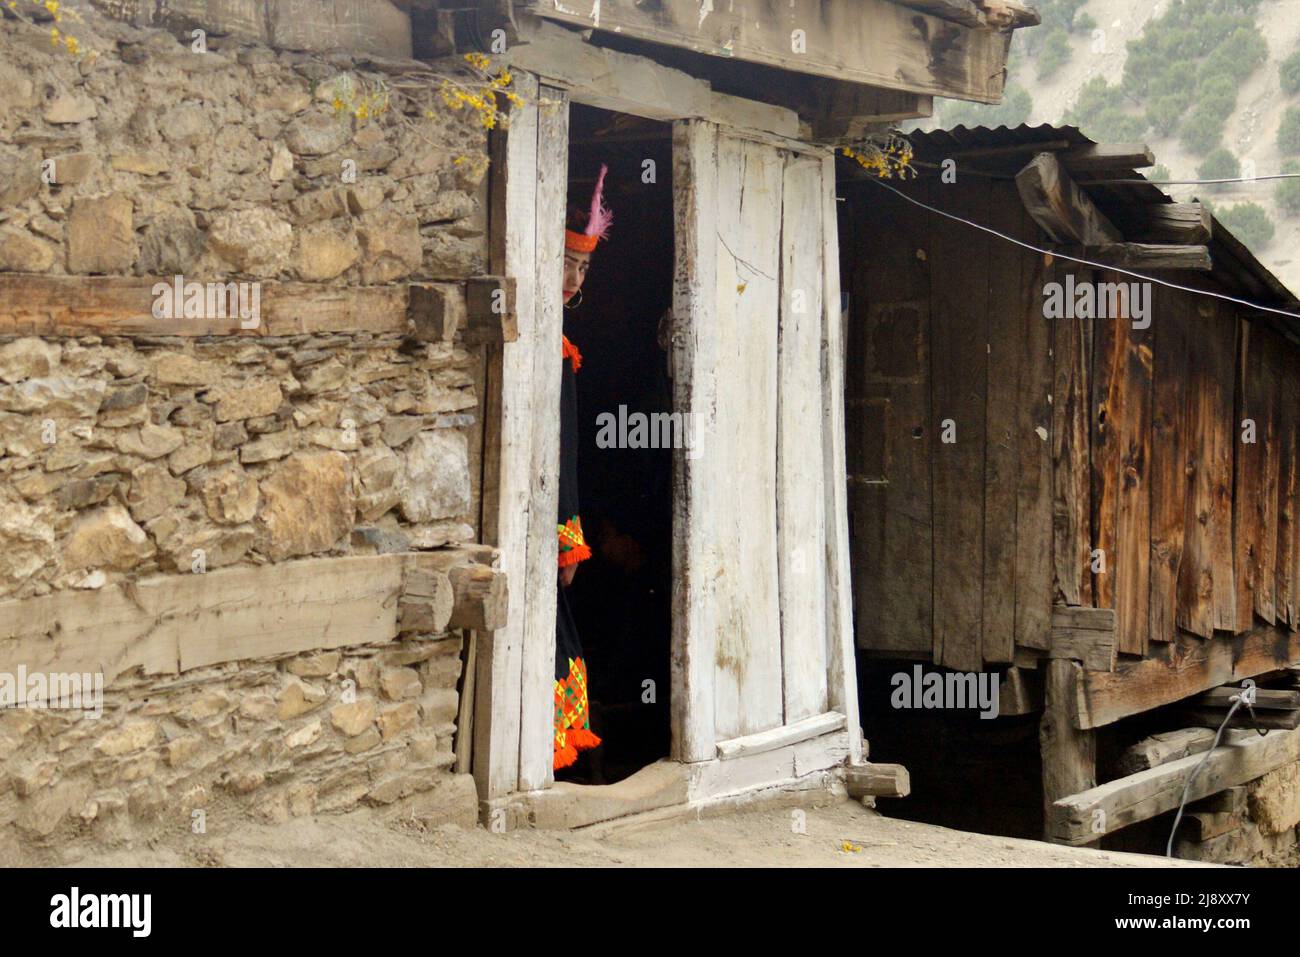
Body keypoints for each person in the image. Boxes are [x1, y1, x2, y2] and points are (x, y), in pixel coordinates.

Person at [553, 163, 613, 772]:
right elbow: (555, 459)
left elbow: (566, 456)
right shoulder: (550, 348)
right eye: (567, 263)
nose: (574, 278)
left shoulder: (561, 346)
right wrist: (567, 540)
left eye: (584, 267)